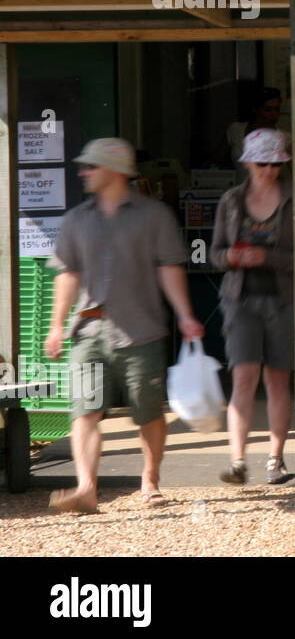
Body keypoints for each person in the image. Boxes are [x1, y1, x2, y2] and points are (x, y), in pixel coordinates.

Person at [44, 138, 205, 513]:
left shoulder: (154, 215)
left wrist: (185, 315)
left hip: (141, 330)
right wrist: (56, 326)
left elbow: (169, 268)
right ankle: (86, 487)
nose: (83, 172)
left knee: (148, 412)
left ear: (115, 172)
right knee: (84, 411)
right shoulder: (75, 219)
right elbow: (68, 274)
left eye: (91, 166)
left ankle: (150, 479)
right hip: (88, 331)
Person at [210, 128, 294, 485]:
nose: (269, 170)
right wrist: (231, 255)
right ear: (247, 163)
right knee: (243, 377)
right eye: (262, 163)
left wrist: (266, 257)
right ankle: (238, 461)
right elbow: (213, 254)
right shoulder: (230, 201)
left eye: (276, 163)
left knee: (278, 379)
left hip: (284, 298)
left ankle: (275, 460)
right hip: (240, 299)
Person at [225, 87, 284, 173]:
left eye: (277, 109)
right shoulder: (236, 130)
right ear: (255, 109)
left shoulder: (286, 138)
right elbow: (216, 163)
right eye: (268, 110)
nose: (274, 114)